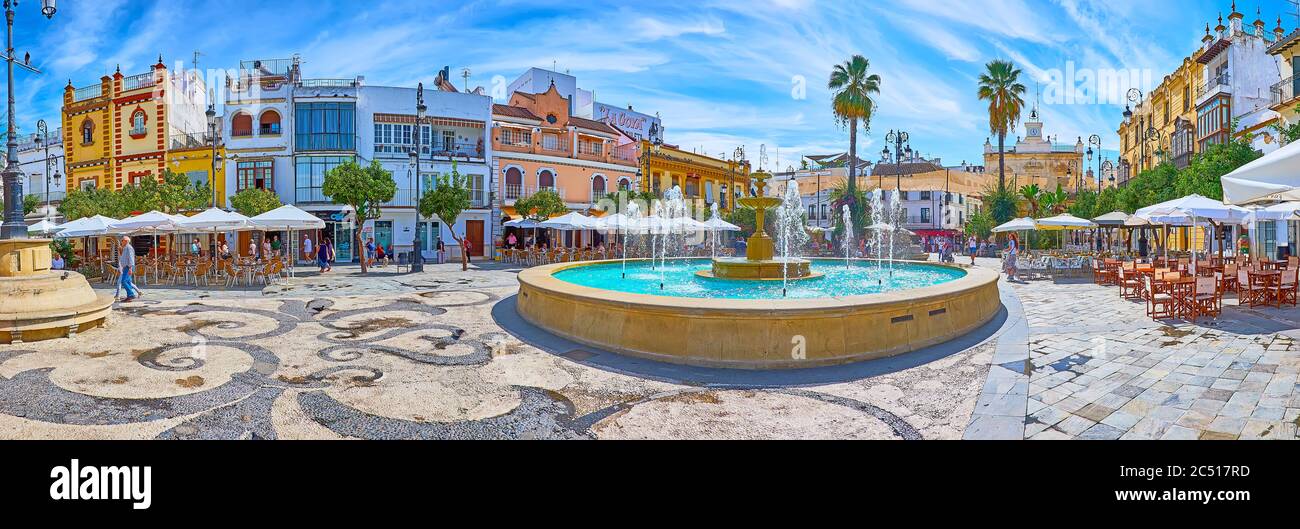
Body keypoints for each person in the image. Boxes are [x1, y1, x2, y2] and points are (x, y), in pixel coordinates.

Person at [117, 236, 140, 302]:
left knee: (123, 281)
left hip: (128, 267)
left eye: (122, 240)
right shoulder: (125, 248)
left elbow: (131, 258)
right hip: (126, 267)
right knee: (128, 282)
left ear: (126, 241)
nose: (121, 242)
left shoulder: (128, 248)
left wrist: (130, 268)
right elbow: (124, 257)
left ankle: (131, 294)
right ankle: (129, 297)